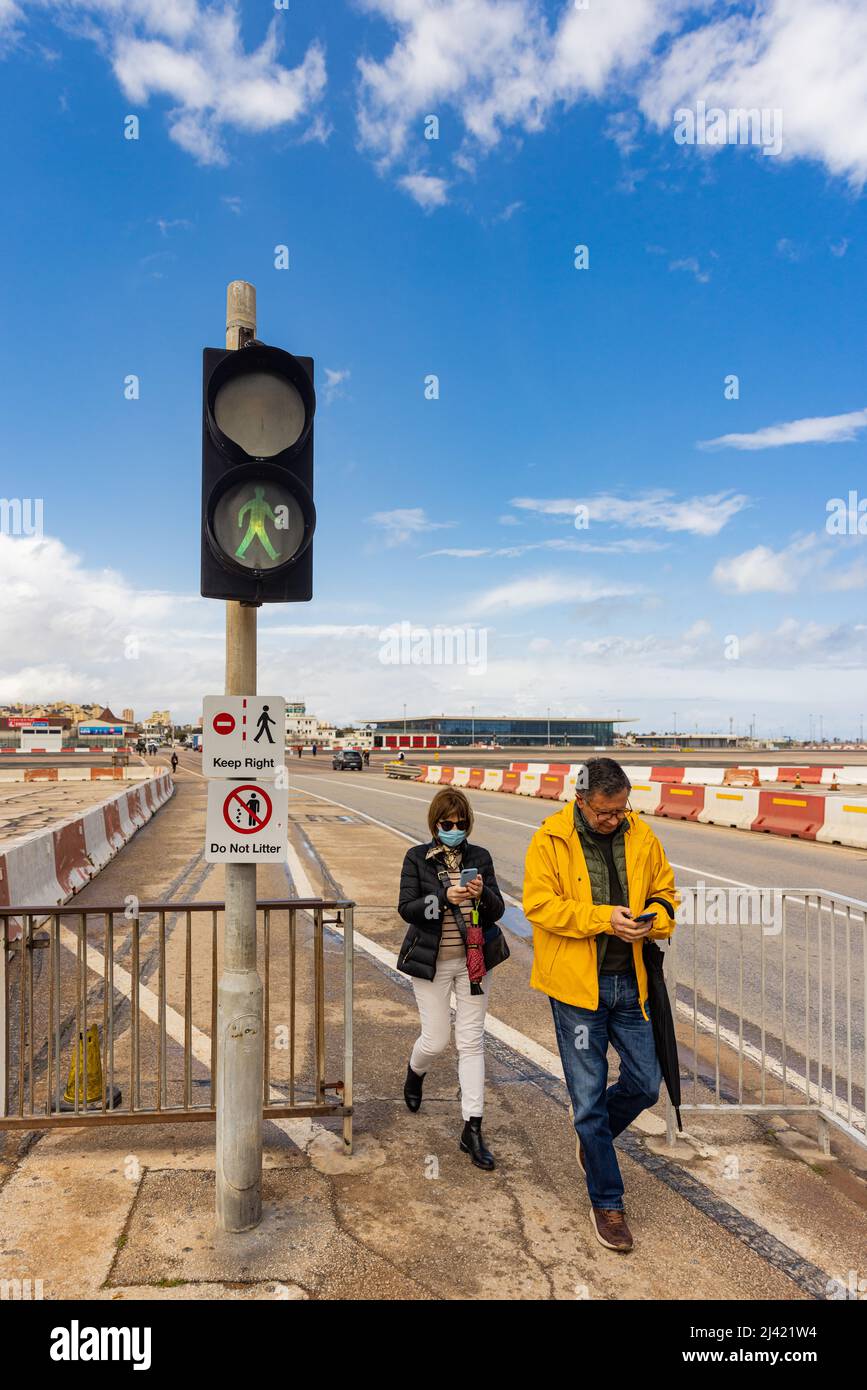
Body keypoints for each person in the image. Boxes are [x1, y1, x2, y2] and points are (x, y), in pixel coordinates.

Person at [523, 757, 676, 1254]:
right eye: (606, 812)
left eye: (622, 810)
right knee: (587, 1100)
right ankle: (608, 1203)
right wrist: (604, 918)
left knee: (645, 1083)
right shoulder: (550, 839)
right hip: (576, 991)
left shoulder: (641, 834)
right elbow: (539, 906)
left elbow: (666, 893)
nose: (616, 819)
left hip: (631, 985)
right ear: (581, 801)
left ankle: (594, 1142)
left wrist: (652, 920)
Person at [397, 788, 510, 1169]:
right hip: (431, 962)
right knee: (435, 1039)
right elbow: (408, 908)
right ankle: (416, 1072)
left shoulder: (480, 858)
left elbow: (498, 910)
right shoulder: (417, 858)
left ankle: (472, 1128)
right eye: (448, 824)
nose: (455, 830)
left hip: (474, 961)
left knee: (471, 1041)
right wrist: (446, 897)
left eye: (461, 824)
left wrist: (481, 895)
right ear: (435, 823)